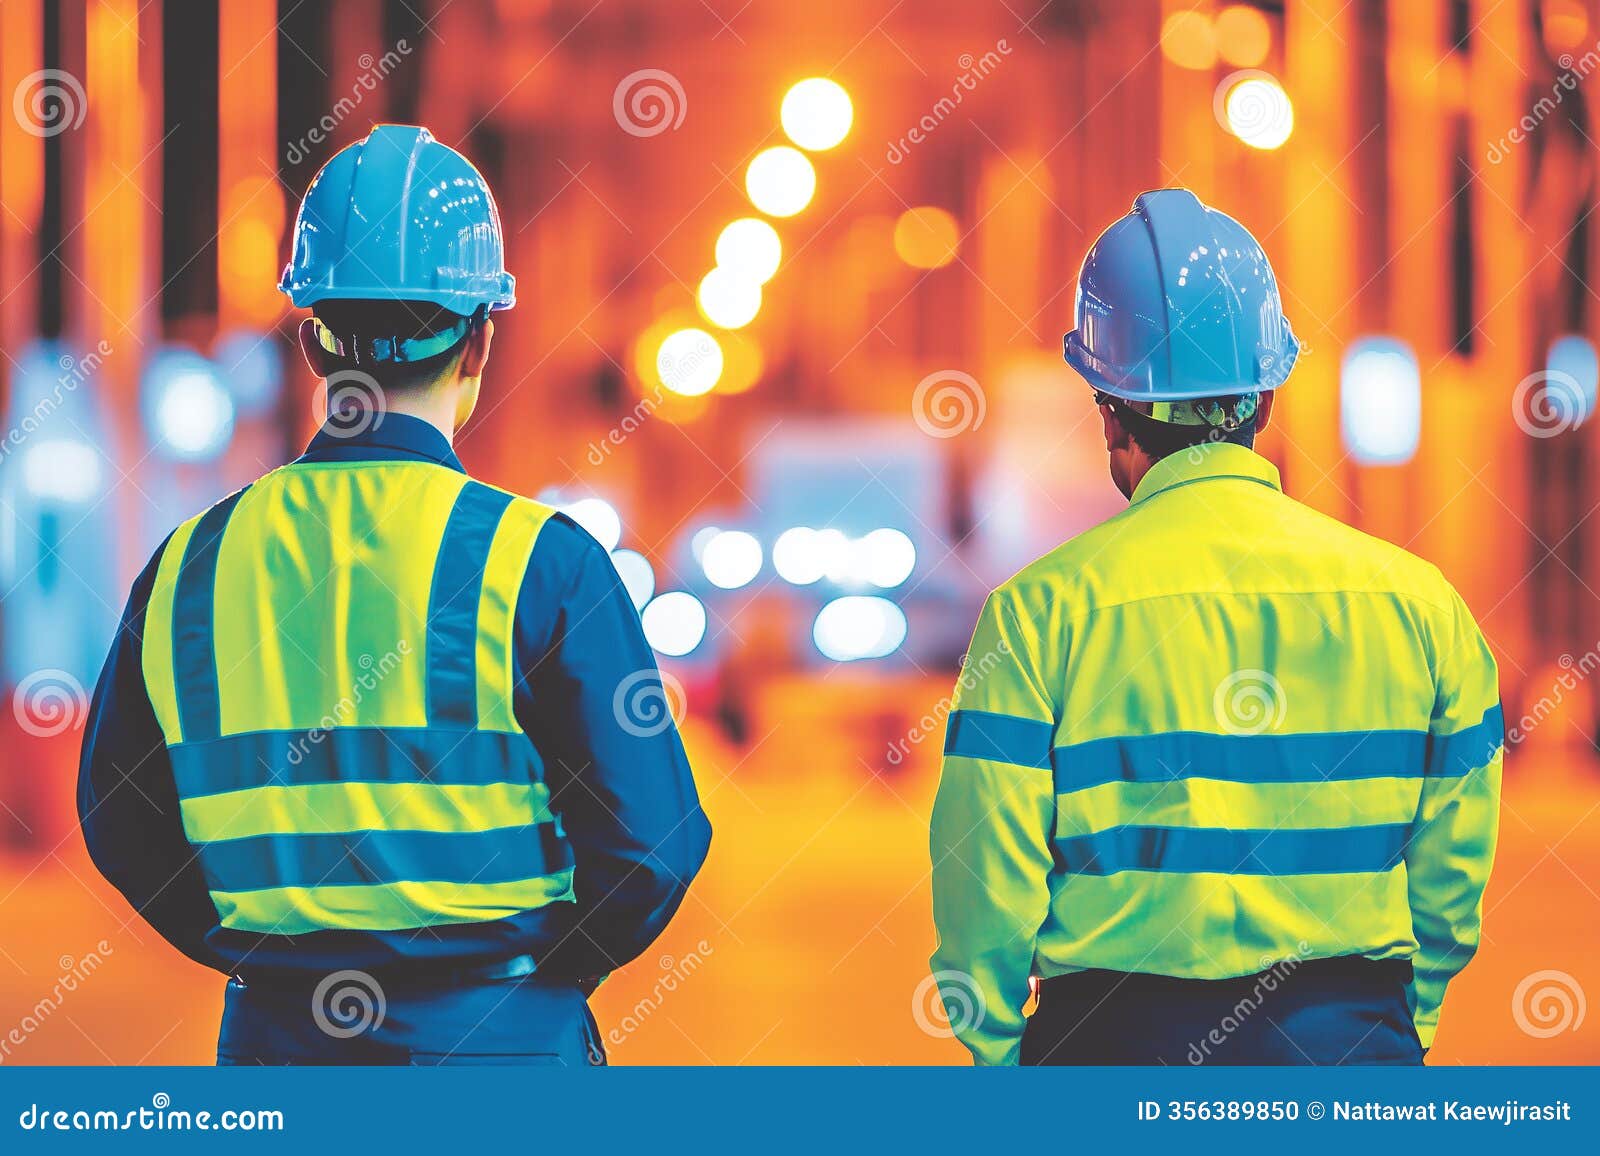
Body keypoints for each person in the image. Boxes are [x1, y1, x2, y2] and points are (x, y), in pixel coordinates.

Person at [78, 125, 711, 1066]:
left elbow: (117, 820)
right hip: (501, 1048)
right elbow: (652, 848)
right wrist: (531, 976)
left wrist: (261, 959)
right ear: (480, 343)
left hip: (276, 1050)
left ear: (311, 341)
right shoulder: (545, 564)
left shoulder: (187, 566)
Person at [929, 189, 1502, 1066]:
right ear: (1266, 399)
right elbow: (1452, 875)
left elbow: (985, 885)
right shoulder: (1422, 606)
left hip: (1110, 1047)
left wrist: (1004, 1064)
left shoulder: (1036, 616)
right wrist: (1395, 1029)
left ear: (1110, 410)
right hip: (1351, 1047)